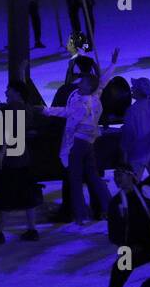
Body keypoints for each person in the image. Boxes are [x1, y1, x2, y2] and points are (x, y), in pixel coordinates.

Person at [43, 57, 111, 229]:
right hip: (90, 142)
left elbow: (67, 113)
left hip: (77, 144)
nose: (79, 84)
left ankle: (79, 214)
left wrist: (46, 111)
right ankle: (107, 208)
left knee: (74, 179)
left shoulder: (79, 100)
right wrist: (113, 64)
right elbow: (103, 82)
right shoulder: (95, 96)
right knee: (94, 178)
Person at [0, 82, 40, 246]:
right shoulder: (26, 108)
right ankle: (32, 229)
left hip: (12, 159)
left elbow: (11, 132)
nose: (6, 92)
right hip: (24, 157)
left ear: (17, 92)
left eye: (9, 89)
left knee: (5, 196)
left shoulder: (12, 109)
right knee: (27, 194)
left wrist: (1, 152)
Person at [120, 78, 150, 179]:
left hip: (138, 152)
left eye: (134, 87)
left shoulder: (132, 110)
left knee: (133, 183)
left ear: (140, 90)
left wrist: (124, 155)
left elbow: (128, 135)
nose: (131, 89)